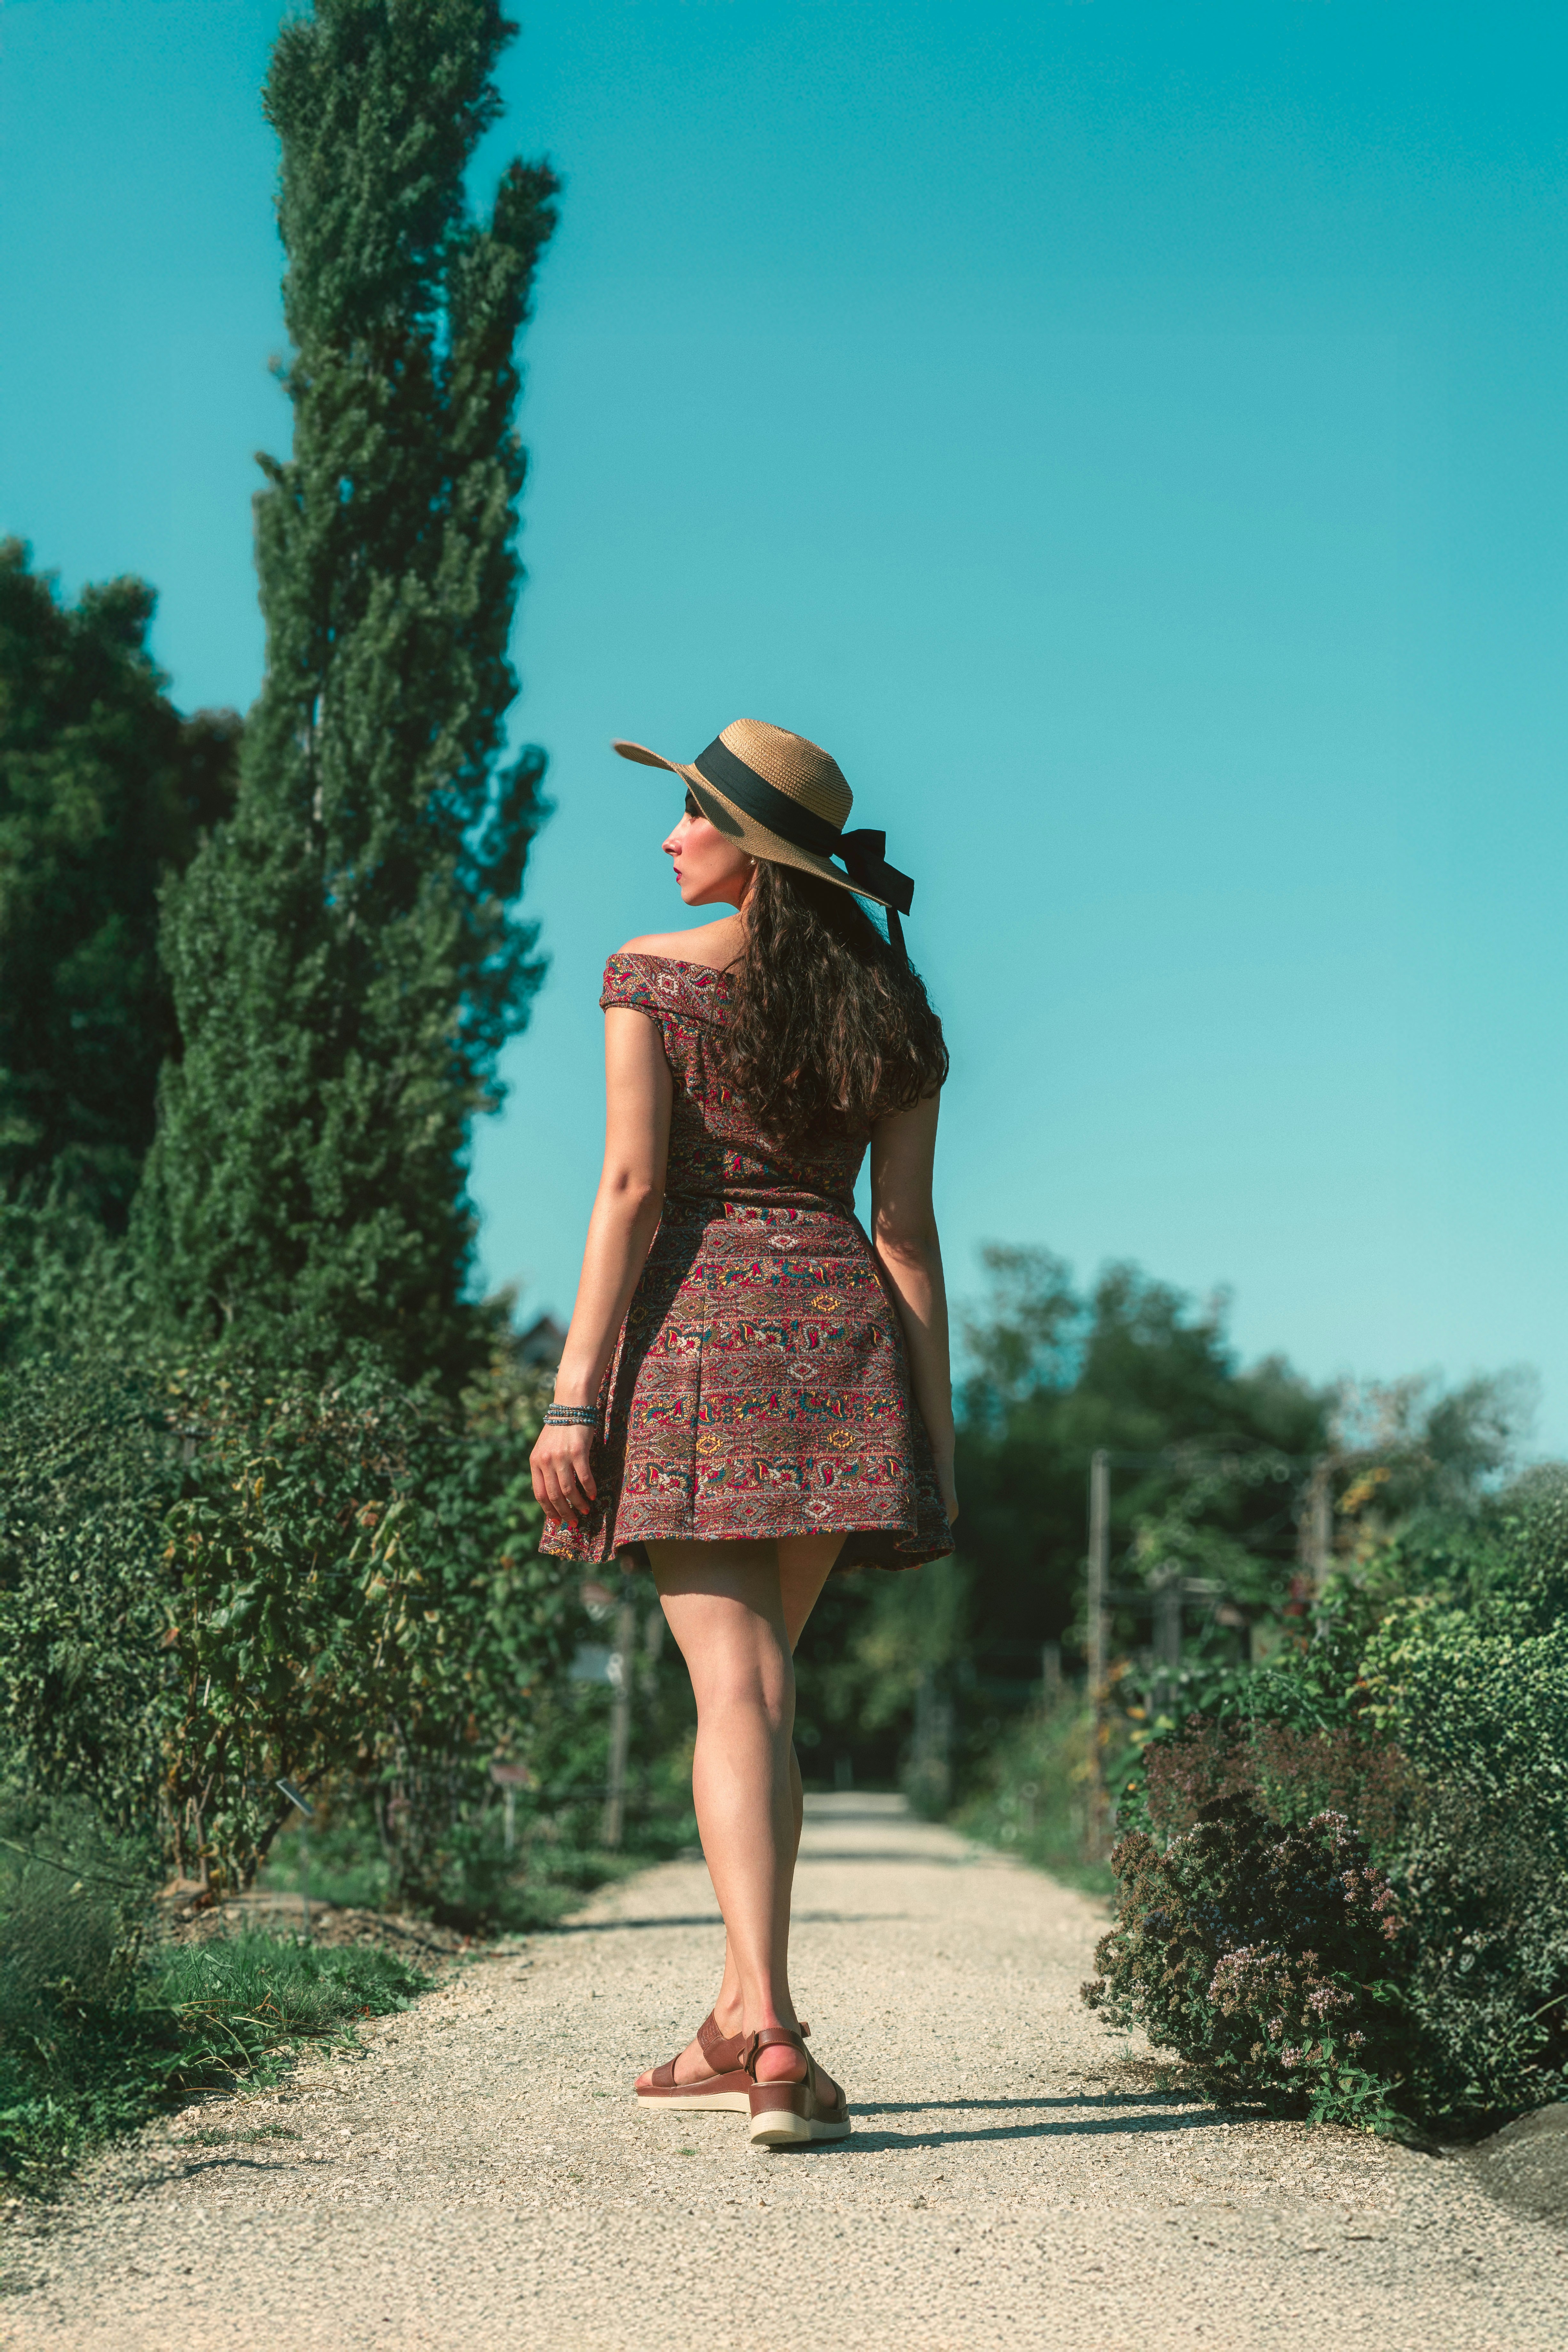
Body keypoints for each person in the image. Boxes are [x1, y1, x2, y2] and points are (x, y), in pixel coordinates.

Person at [530, 717, 956, 2148]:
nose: (668, 836)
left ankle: (771, 2029)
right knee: (759, 1686)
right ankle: (732, 2024)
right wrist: (932, 1436)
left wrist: (572, 1390)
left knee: (735, 1694)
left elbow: (633, 1187)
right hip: (838, 1345)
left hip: (704, 1344)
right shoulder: (890, 1010)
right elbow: (904, 1239)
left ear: (748, 850)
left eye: (691, 812)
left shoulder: (649, 973)